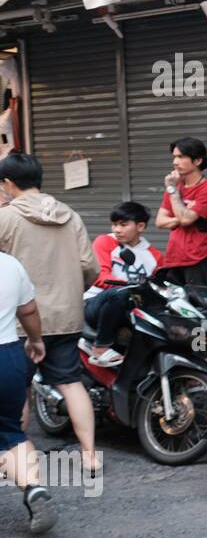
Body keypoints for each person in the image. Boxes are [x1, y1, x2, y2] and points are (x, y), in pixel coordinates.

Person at [0, 153, 99, 474]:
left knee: (20, 389)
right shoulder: (70, 215)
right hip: (67, 316)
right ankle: (90, 456)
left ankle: (14, 459)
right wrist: (70, 291)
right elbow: (89, 267)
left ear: (8, 184)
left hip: (20, 320)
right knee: (71, 382)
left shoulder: (6, 218)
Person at [0, 251, 56, 533]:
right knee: (10, 432)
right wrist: (36, 340)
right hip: (7, 356)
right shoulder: (10, 264)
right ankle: (33, 488)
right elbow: (29, 310)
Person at [83, 201, 162, 367]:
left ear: (140, 226)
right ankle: (101, 347)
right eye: (114, 224)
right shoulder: (105, 242)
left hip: (132, 308)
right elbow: (100, 276)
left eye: (123, 225)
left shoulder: (154, 255)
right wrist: (129, 285)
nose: (117, 230)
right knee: (122, 292)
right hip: (96, 304)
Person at [155, 137, 207, 287]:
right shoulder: (174, 187)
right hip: (173, 257)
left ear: (197, 161)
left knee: (197, 304)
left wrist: (174, 195)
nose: (175, 162)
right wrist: (182, 214)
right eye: (174, 157)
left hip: (198, 256)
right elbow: (160, 221)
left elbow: (186, 220)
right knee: (173, 305)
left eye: (181, 157)